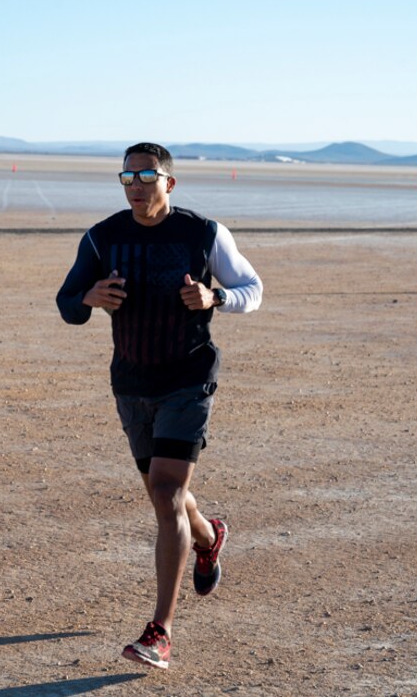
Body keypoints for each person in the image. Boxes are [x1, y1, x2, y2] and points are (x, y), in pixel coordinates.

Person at [57, 142, 263, 669]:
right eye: (127, 177)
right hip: (130, 380)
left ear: (169, 183)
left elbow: (252, 288)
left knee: (168, 491)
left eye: (147, 176)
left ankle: (160, 631)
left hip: (188, 377)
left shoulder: (203, 233)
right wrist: (89, 297)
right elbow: (66, 302)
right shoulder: (103, 237)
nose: (136, 185)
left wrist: (216, 298)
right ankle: (210, 536)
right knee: (164, 493)